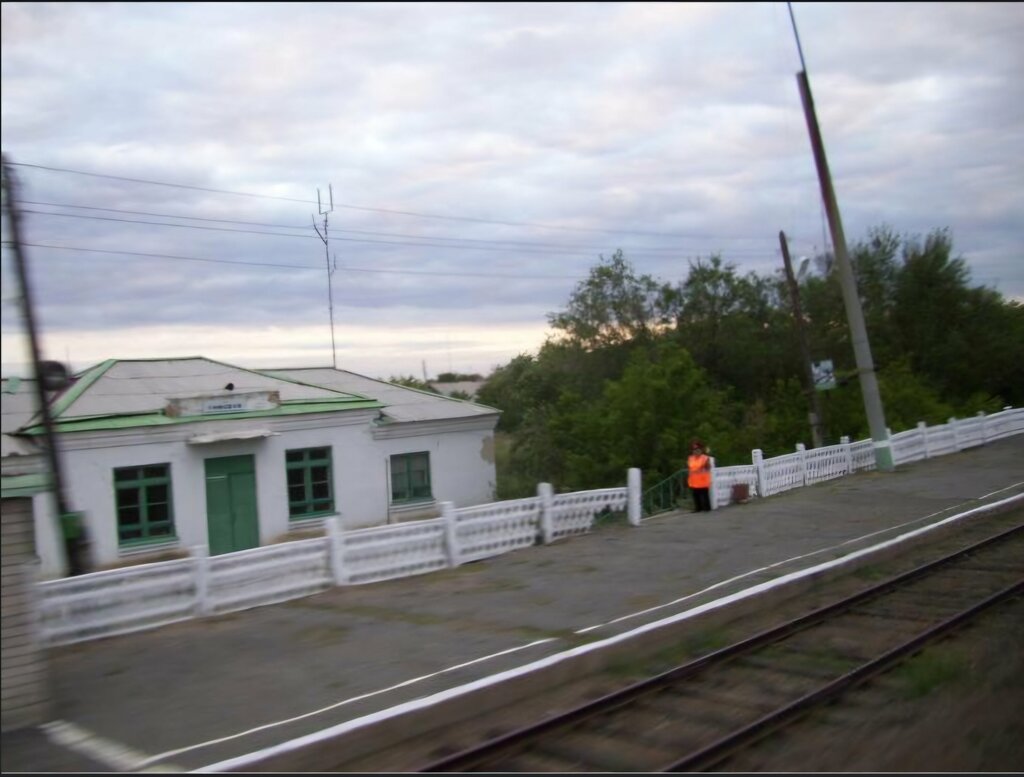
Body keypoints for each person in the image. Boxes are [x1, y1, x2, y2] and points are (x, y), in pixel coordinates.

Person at [687, 440, 711, 513]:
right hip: (694, 480)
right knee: (695, 495)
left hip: (703, 480)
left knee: (704, 494)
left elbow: (708, 467)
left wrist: (706, 464)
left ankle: (707, 508)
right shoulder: (690, 458)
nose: (696, 452)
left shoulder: (705, 458)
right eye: (694, 450)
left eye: (697, 450)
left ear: (701, 450)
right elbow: (690, 468)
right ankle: (698, 508)